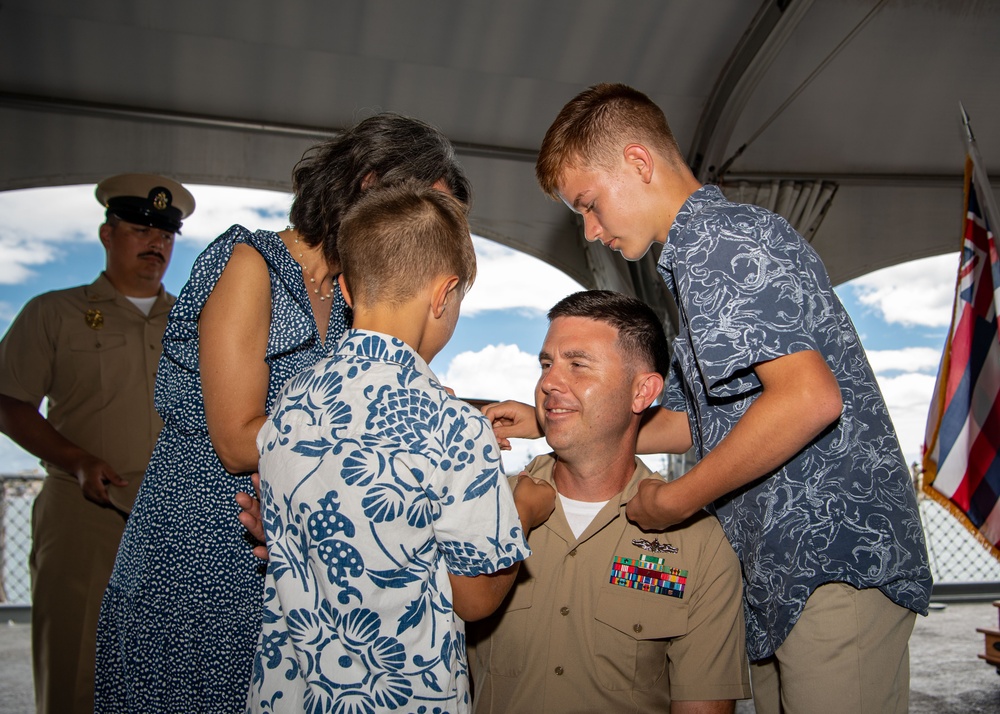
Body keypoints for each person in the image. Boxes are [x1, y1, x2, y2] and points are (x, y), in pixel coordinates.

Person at [490, 83, 933, 713]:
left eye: (589, 204)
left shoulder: (719, 244)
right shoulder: (700, 257)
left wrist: (676, 499)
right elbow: (699, 423)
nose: (590, 231)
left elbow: (808, 398)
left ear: (639, 164)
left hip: (833, 558)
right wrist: (550, 418)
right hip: (786, 571)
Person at [96, 114, 473, 714]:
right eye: (423, 213)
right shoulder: (251, 263)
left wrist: (450, 412)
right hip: (198, 544)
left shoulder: (354, 299)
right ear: (369, 184)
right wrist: (399, 429)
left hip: (286, 546)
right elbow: (238, 441)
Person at [251, 182, 553, 713]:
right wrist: (523, 509)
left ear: (344, 290)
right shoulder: (455, 427)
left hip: (288, 696)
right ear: (443, 294)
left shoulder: (289, 406)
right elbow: (475, 598)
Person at [469, 290, 749, 714]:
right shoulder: (484, 505)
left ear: (642, 392)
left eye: (577, 364)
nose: (548, 382)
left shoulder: (701, 544)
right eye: (546, 364)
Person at [0, 173, 193, 714]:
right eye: (139, 229)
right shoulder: (54, 312)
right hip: (86, 512)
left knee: (169, 675)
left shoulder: (194, 323)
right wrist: (76, 458)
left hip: (173, 522)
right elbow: (10, 400)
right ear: (107, 235)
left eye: (166, 235)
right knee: (75, 668)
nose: (155, 244)